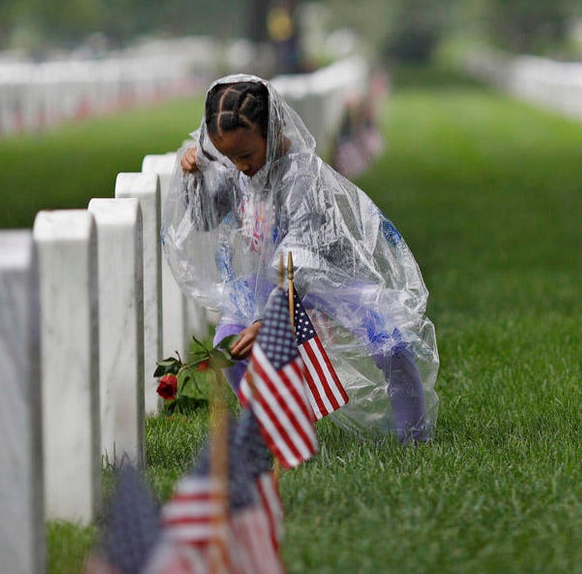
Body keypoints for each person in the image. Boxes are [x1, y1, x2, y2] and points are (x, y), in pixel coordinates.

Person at [161, 73, 438, 444]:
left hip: (330, 275)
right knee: (229, 342)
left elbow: (301, 257)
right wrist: (198, 177)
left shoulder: (300, 174)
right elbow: (207, 219)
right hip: (270, 279)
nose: (239, 166)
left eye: (245, 155)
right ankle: (274, 426)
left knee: (387, 339)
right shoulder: (238, 169)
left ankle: (414, 434)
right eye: (228, 157)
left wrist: (268, 320)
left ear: (272, 130)